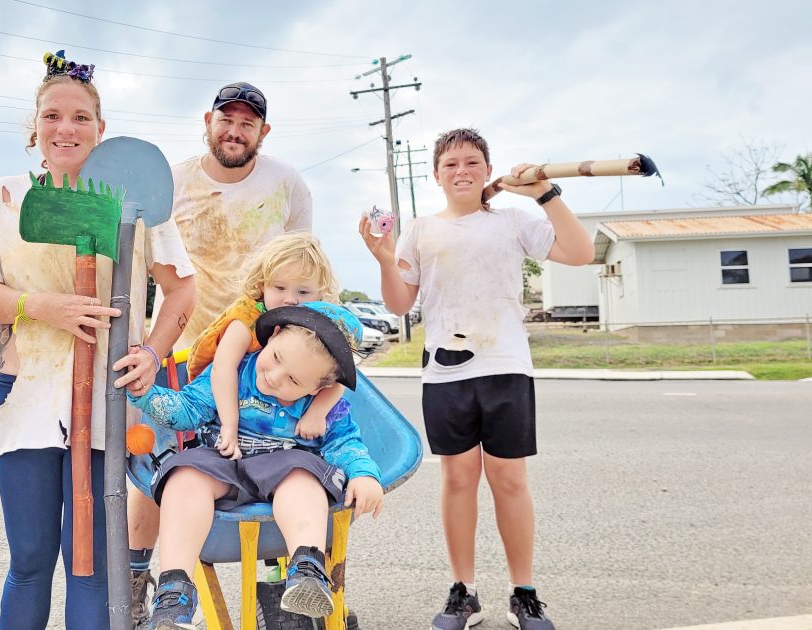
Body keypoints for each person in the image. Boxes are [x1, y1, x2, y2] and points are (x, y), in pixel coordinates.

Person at [0, 52, 195, 630]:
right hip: (27, 387)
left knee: (90, 563)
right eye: (52, 116)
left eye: (80, 117)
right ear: (34, 126)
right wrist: (41, 307)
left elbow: (181, 291)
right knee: (31, 558)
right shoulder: (5, 196)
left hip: (109, 393)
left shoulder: (135, 199)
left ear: (101, 128)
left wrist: (150, 352)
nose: (65, 129)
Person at [359, 128, 595, 630]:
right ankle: (463, 591)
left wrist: (546, 194)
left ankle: (524, 593)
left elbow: (580, 253)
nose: (461, 171)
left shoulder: (513, 220)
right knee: (457, 478)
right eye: (450, 164)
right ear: (437, 174)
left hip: (506, 365)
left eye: (472, 162)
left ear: (489, 171)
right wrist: (383, 259)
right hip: (445, 373)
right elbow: (401, 304)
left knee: (509, 479)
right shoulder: (421, 230)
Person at [129, 80, 313, 624]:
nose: (235, 130)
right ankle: (144, 578)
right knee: (157, 468)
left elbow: (300, 266)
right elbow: (141, 266)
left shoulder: (287, 184)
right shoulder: (173, 183)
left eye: (247, 123)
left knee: (277, 459)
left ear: (263, 131)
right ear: (206, 122)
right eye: (226, 119)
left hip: (267, 358)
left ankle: (280, 594)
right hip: (182, 349)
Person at [127, 302, 383, 630]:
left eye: (293, 379)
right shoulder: (233, 373)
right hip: (223, 460)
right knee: (183, 477)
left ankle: (306, 569)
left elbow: (346, 444)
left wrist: (364, 474)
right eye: (275, 358)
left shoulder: (321, 409)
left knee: (306, 480)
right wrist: (146, 394)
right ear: (272, 336)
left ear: (318, 389)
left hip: (284, 467)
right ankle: (174, 594)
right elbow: (190, 408)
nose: (274, 377)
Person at [186, 232, 344, 460]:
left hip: (273, 405)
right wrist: (229, 424)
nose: (290, 299)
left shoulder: (313, 326)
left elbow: (339, 377)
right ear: (263, 285)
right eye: (280, 288)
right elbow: (223, 368)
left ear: (319, 294)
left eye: (303, 292)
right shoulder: (246, 319)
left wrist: (317, 413)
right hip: (221, 393)